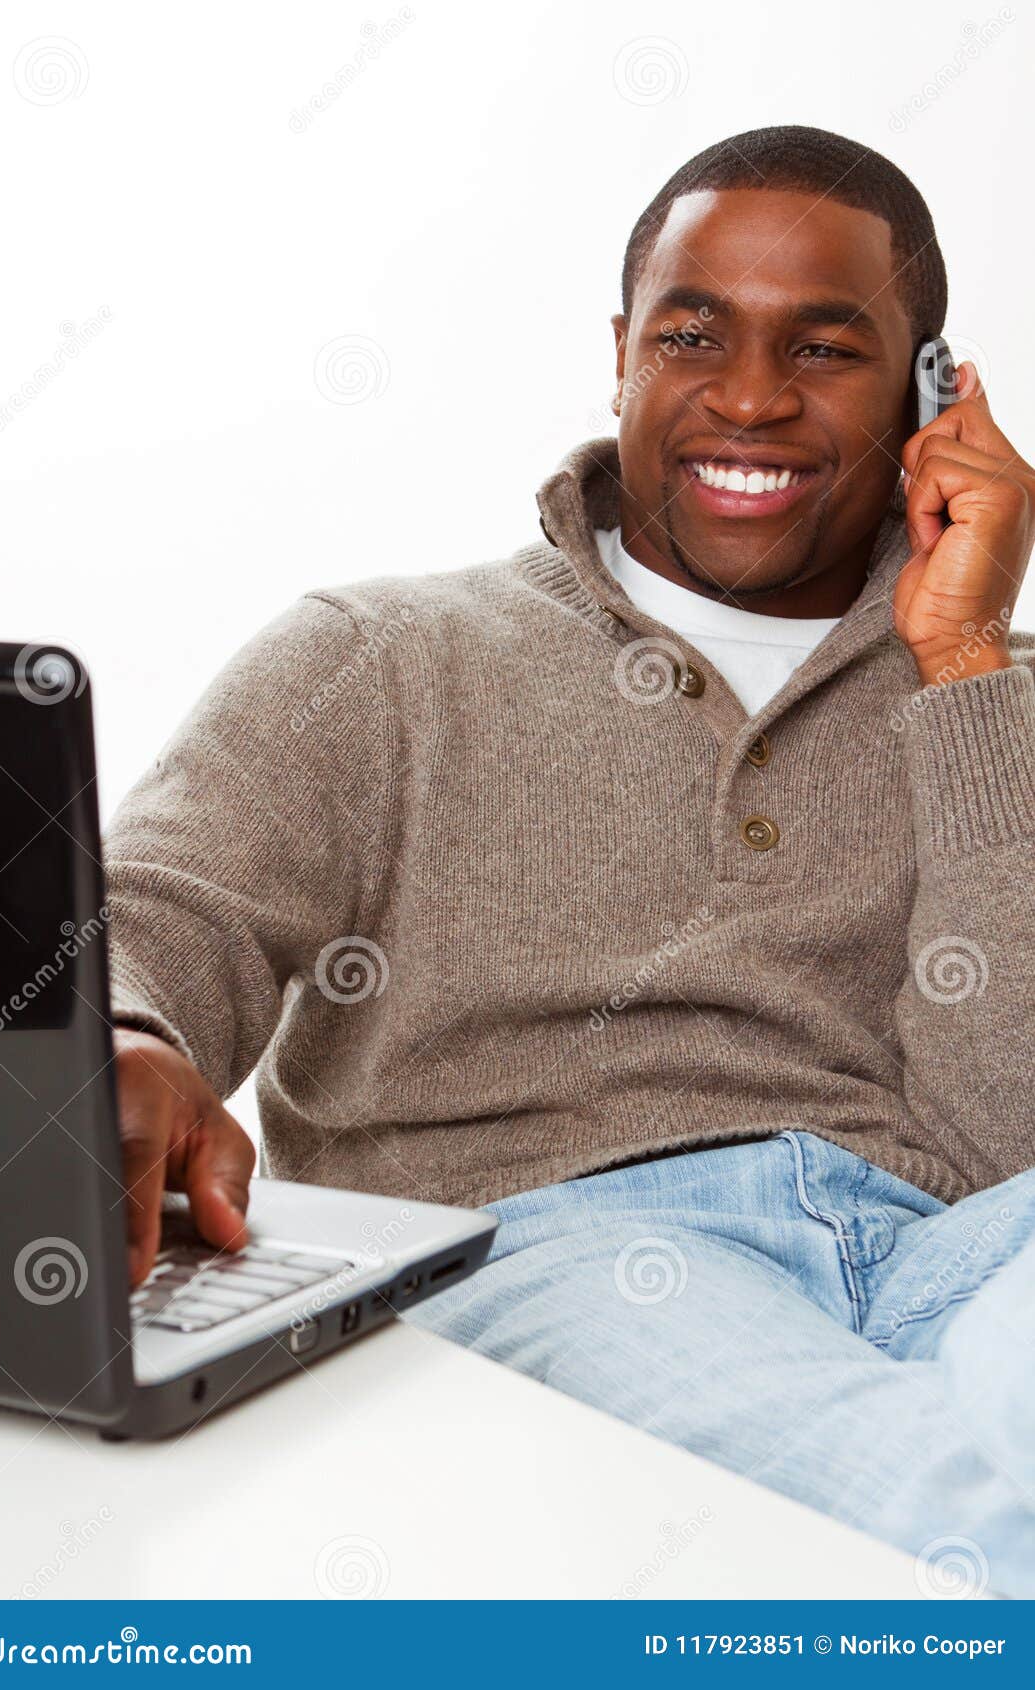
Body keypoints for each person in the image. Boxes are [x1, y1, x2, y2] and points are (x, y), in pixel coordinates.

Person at [105, 125, 1035, 1595]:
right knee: (969, 1536)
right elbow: (147, 927)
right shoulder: (382, 659)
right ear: (620, 354)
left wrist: (971, 665)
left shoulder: (992, 702)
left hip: (962, 1247)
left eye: (827, 350)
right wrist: (128, 1040)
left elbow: (1007, 1145)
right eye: (692, 333)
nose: (747, 396)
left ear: (937, 394)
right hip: (562, 1243)